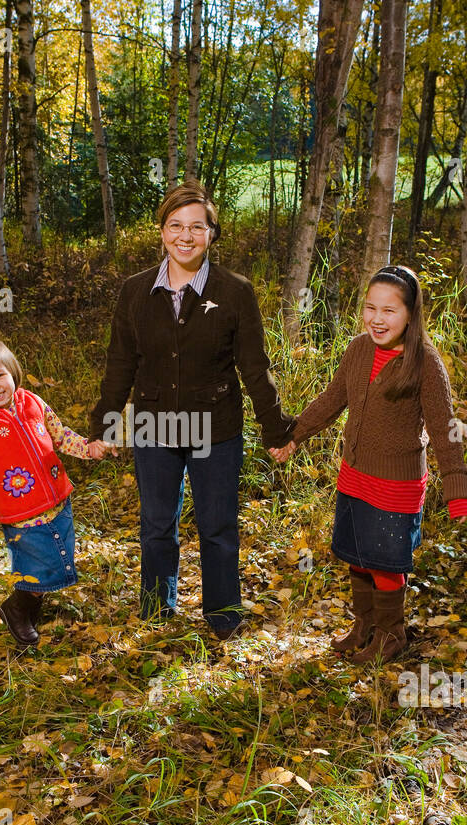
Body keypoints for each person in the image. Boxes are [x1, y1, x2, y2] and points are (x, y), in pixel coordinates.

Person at [89, 181, 294, 640]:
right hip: (154, 424)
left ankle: (223, 614)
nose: (186, 235)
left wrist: (276, 429)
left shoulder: (235, 291)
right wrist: (105, 424)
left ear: (212, 234)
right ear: (162, 231)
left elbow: (255, 367)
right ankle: (157, 610)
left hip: (214, 425)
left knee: (217, 524)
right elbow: (120, 363)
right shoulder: (135, 291)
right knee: (157, 525)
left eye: (196, 227)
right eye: (176, 225)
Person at [270, 265, 467, 663]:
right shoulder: (359, 349)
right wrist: (294, 434)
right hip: (355, 474)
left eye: (390, 311)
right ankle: (364, 625)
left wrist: (457, 489)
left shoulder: (425, 364)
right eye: (370, 308)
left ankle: (390, 634)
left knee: (384, 560)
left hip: (395, 483)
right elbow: (331, 399)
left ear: (411, 314)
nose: (378, 319)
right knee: (357, 554)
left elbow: (446, 428)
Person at [0, 339, 101, 647]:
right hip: (20, 513)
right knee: (37, 569)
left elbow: (62, 436)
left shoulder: (32, 402)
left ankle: (26, 610)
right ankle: (17, 610)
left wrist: (89, 449)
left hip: (57, 501)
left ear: (13, 371)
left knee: (54, 564)